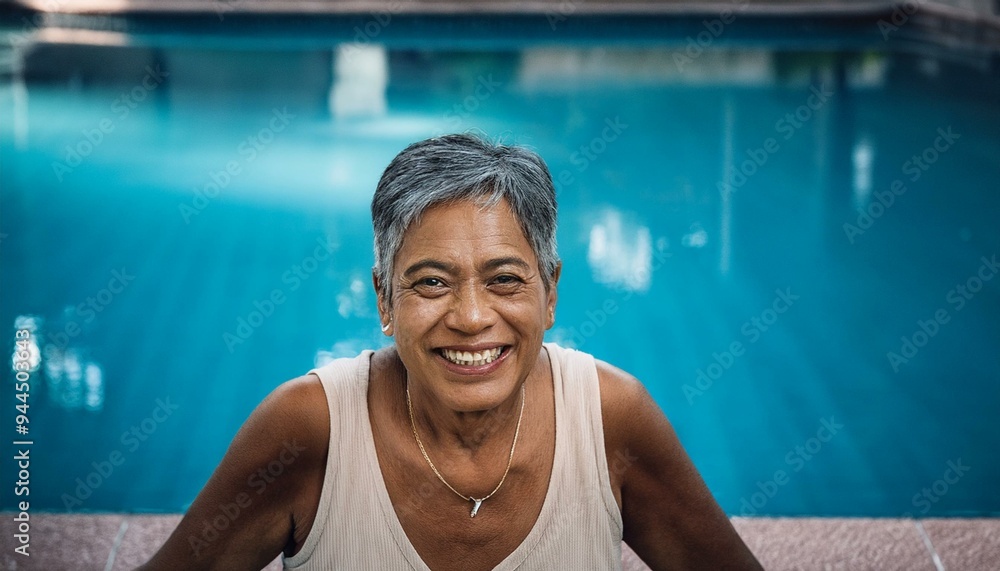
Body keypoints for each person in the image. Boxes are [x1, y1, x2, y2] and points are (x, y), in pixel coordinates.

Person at [141, 134, 762, 570]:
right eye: (431, 282)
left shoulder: (610, 417)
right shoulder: (310, 427)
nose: (469, 318)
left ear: (550, 294)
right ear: (385, 300)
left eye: (505, 280)